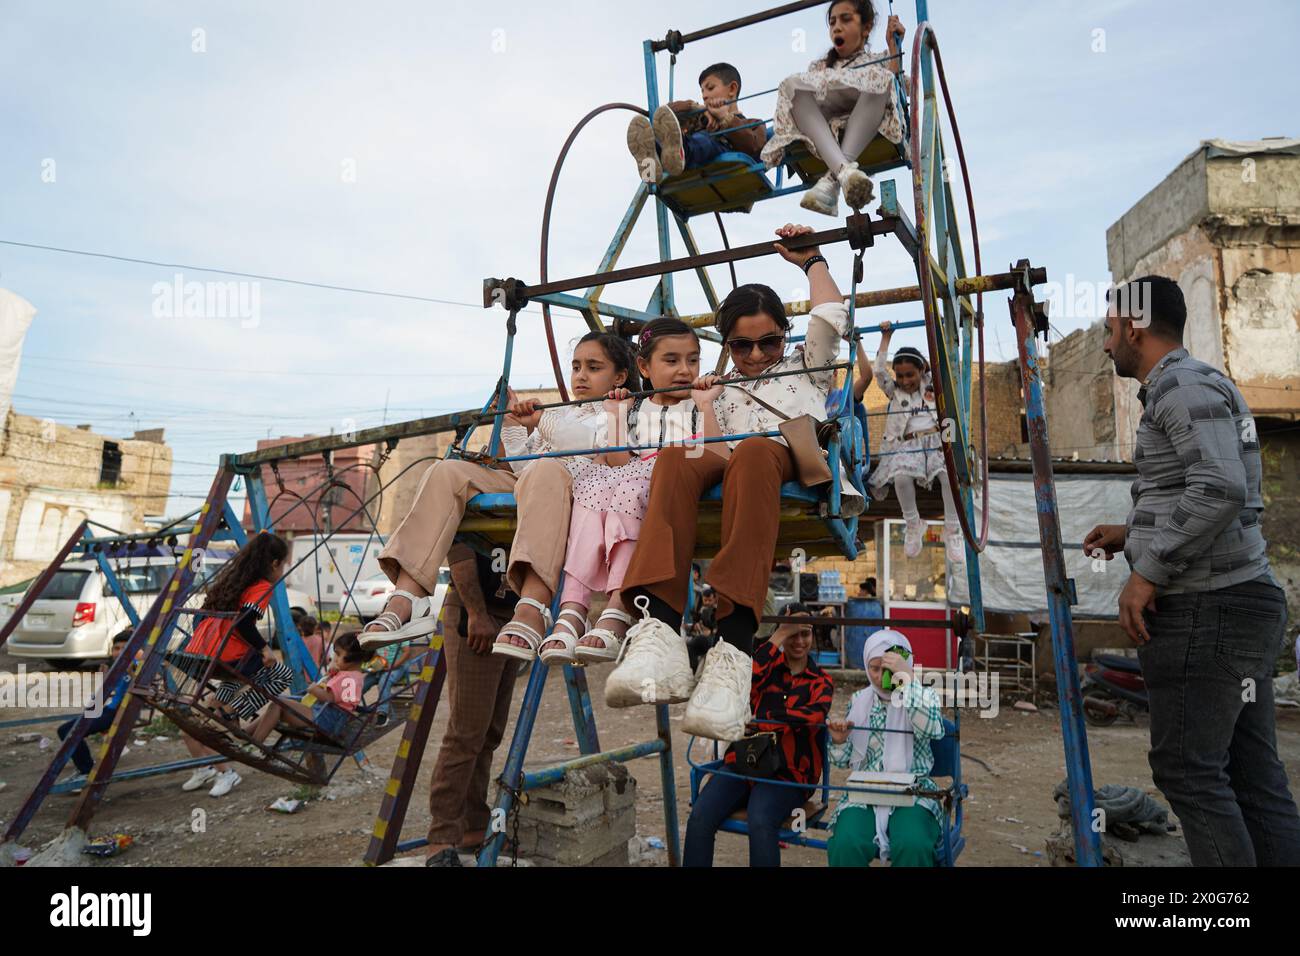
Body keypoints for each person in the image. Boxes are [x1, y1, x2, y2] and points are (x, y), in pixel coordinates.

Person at [1083, 276, 1300, 867]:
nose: (1106, 346)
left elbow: (1221, 487)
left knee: (1188, 772)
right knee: (1250, 774)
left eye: (1108, 331)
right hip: (1235, 603)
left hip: (1210, 610)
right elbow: (1206, 490)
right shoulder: (1196, 385)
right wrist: (1132, 532)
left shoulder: (1179, 385)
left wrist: (1146, 569)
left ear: (1133, 326)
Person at [617, 223, 862, 740]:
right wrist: (702, 402)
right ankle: (660, 626)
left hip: (792, 459)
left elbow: (830, 315)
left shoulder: (808, 365)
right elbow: (709, 448)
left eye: (768, 342)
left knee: (754, 452)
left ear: (785, 337)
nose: (754, 356)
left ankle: (734, 646)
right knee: (677, 458)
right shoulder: (721, 389)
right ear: (727, 344)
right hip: (739, 466)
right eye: (741, 346)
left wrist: (811, 260)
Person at [361, 331, 636, 665]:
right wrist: (511, 425)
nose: (580, 375)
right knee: (445, 472)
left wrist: (539, 420)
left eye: (593, 367)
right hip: (532, 483)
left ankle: (534, 603)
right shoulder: (564, 412)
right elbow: (523, 465)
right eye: (576, 366)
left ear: (619, 375)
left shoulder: (621, 410)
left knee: (546, 470)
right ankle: (409, 593)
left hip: (576, 488)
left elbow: (593, 444)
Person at [539, 318, 717, 665]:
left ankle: (618, 606)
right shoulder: (636, 408)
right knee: (592, 486)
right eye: (671, 361)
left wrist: (707, 404)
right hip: (631, 475)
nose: (684, 370)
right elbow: (619, 461)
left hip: (673, 479)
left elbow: (714, 453)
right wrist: (617, 416)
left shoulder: (699, 403)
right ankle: (573, 608)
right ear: (644, 367)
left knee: (627, 489)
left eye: (692, 360)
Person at [684, 606, 833, 867]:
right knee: (700, 815)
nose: (799, 641)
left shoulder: (820, 681)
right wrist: (776, 638)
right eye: (791, 634)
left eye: (805, 634)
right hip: (747, 763)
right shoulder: (765, 670)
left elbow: (814, 716)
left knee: (761, 817)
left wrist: (769, 719)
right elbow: (743, 680)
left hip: (790, 773)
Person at [177, 531, 295, 798]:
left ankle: (221, 703)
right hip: (227, 653)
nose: (283, 570)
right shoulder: (262, 586)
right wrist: (265, 648)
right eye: (284, 564)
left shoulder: (232, 581)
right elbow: (243, 623)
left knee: (238, 674)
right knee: (279, 674)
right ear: (274, 563)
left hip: (206, 651)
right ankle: (231, 710)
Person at [761, 1, 907, 216]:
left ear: (866, 28)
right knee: (791, 86)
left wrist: (894, 46)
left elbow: (896, 86)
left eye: (846, 19)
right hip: (824, 124)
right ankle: (843, 174)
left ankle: (833, 179)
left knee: (883, 78)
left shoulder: (879, 62)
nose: (837, 27)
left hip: (865, 117)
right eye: (832, 22)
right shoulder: (819, 67)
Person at [425, 542, 521, 866]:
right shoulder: (477, 489)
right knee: (465, 733)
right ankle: (441, 838)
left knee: (489, 734)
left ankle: (473, 825)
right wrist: (476, 612)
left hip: (511, 614)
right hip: (478, 610)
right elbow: (459, 545)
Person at [826, 630, 945, 866]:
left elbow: (933, 728)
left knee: (913, 845)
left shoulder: (923, 695)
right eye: (875, 668)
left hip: (914, 792)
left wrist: (908, 679)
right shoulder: (859, 700)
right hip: (864, 791)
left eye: (889, 669)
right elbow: (843, 762)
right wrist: (839, 741)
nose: (881, 677)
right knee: (846, 843)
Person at [868, 320, 964, 564]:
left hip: (937, 439)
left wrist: (939, 329)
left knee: (948, 476)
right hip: (908, 444)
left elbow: (940, 360)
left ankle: (952, 529)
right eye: (900, 375)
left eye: (910, 374)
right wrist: (886, 337)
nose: (905, 380)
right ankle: (913, 523)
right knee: (900, 477)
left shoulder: (931, 384)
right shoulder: (894, 391)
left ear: (921, 371)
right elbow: (879, 371)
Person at [627, 62, 767, 181]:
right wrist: (696, 108)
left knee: (705, 140)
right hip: (691, 146)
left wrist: (726, 118)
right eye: (702, 91)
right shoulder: (700, 118)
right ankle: (652, 157)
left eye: (710, 88)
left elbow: (754, 147)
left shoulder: (753, 123)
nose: (705, 95)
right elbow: (666, 112)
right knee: (684, 134)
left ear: (732, 89)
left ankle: (680, 153)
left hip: (718, 147)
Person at [249, 631, 368, 744]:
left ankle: (255, 742)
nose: (334, 658)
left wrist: (313, 689)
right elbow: (335, 692)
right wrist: (330, 674)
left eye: (338, 654)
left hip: (326, 719)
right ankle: (248, 733)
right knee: (277, 702)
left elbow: (329, 698)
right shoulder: (350, 674)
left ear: (353, 658)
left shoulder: (349, 679)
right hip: (322, 713)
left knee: (278, 704)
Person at [57, 629, 134, 779]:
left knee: (70, 732)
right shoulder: (117, 668)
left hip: (119, 713)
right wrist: (106, 679)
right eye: (116, 649)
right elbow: (105, 694)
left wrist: (132, 673)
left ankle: (87, 772)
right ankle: (85, 769)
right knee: (64, 730)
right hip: (109, 710)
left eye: (125, 649)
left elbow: (143, 684)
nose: (119, 653)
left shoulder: (135, 667)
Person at [844, 577, 883, 670]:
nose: (859, 592)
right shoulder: (876, 604)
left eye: (861, 590)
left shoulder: (858, 604)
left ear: (866, 591)